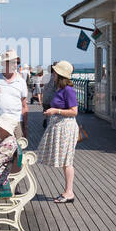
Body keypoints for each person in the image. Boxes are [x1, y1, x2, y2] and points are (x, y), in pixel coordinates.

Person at [40, 60, 79, 203]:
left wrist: (56, 110)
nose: (53, 74)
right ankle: (68, 191)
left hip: (66, 127)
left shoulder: (68, 90)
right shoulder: (60, 89)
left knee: (67, 161)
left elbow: (74, 111)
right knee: (65, 161)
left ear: (60, 74)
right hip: (60, 125)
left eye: (55, 72)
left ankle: (69, 192)